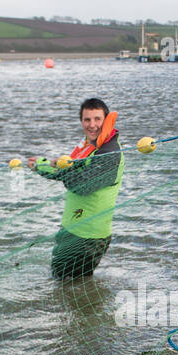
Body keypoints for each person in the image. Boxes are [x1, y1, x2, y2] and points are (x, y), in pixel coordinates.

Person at [29, 98, 124, 279]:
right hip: (73, 230)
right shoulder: (88, 147)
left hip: (88, 237)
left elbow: (82, 185)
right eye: (87, 120)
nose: (92, 125)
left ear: (106, 121)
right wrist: (40, 165)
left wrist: (61, 168)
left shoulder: (109, 153)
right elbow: (67, 170)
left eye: (97, 119)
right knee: (66, 284)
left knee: (68, 284)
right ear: (81, 121)